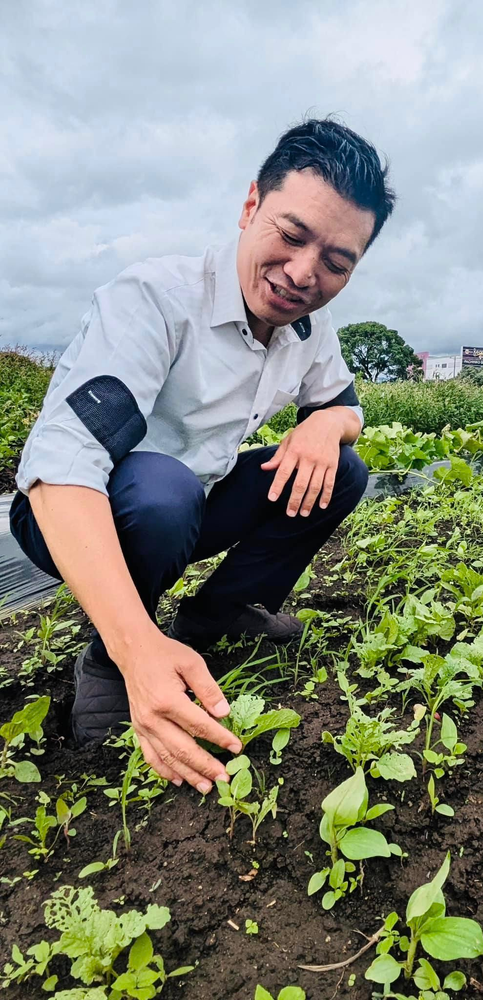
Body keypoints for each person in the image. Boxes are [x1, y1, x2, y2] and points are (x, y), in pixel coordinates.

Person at [10, 118, 395, 796]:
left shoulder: (308, 326)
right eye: (292, 234)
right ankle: (111, 661)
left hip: (192, 498)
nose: (304, 274)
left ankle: (220, 617)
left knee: (344, 472)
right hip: (78, 511)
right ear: (251, 206)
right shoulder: (156, 299)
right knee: (162, 491)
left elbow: (347, 404)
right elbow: (61, 466)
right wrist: (137, 649)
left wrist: (328, 423)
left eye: (337, 262)